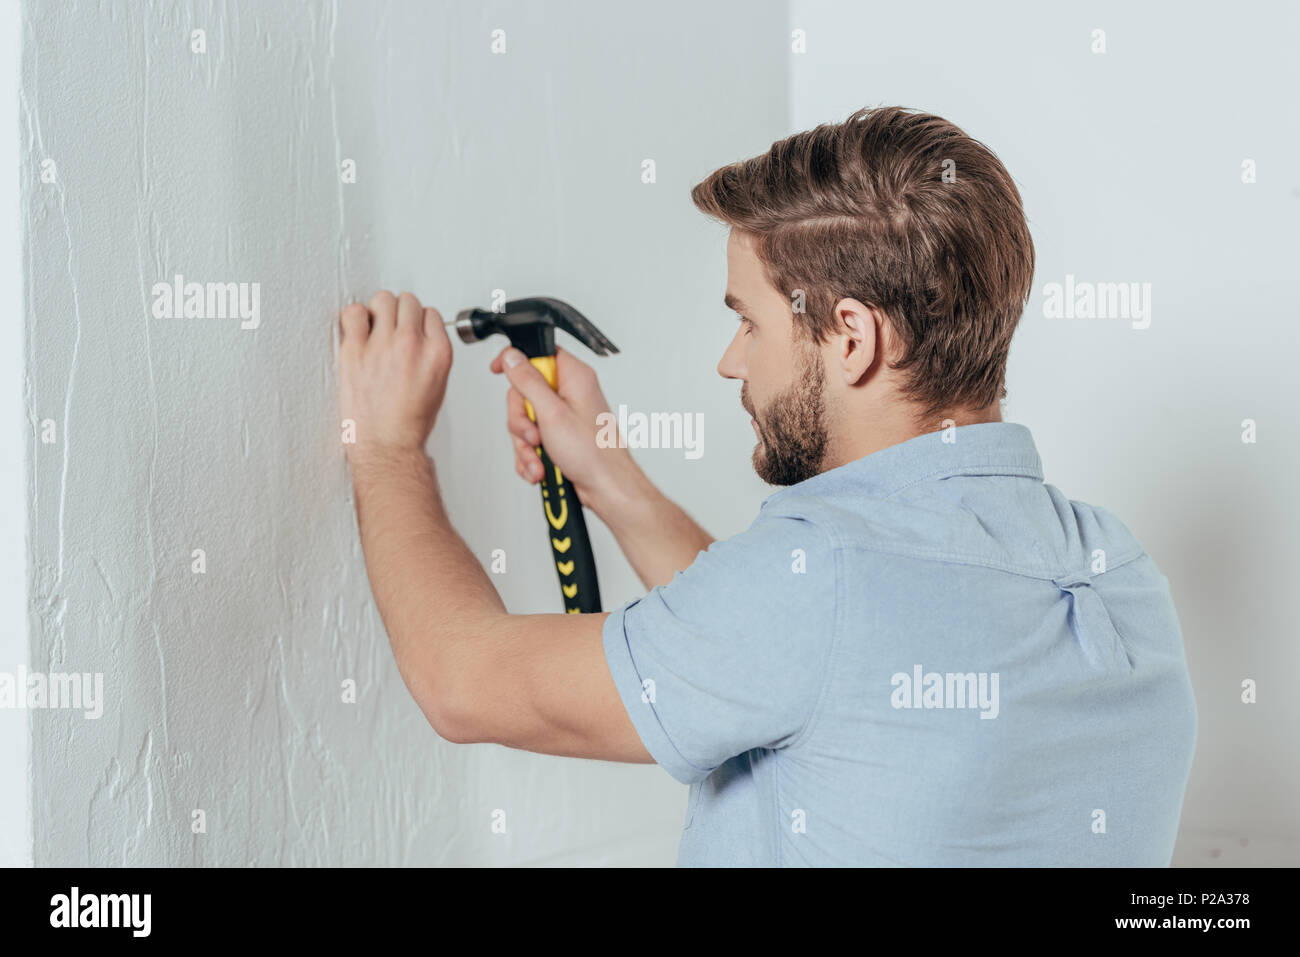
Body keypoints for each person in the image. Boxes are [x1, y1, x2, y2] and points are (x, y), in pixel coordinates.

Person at [335, 105, 1197, 866]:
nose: (730, 359)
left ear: (851, 337)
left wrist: (387, 445)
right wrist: (607, 476)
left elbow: (461, 681)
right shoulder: (1120, 575)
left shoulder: (819, 584)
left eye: (748, 320)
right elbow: (799, 654)